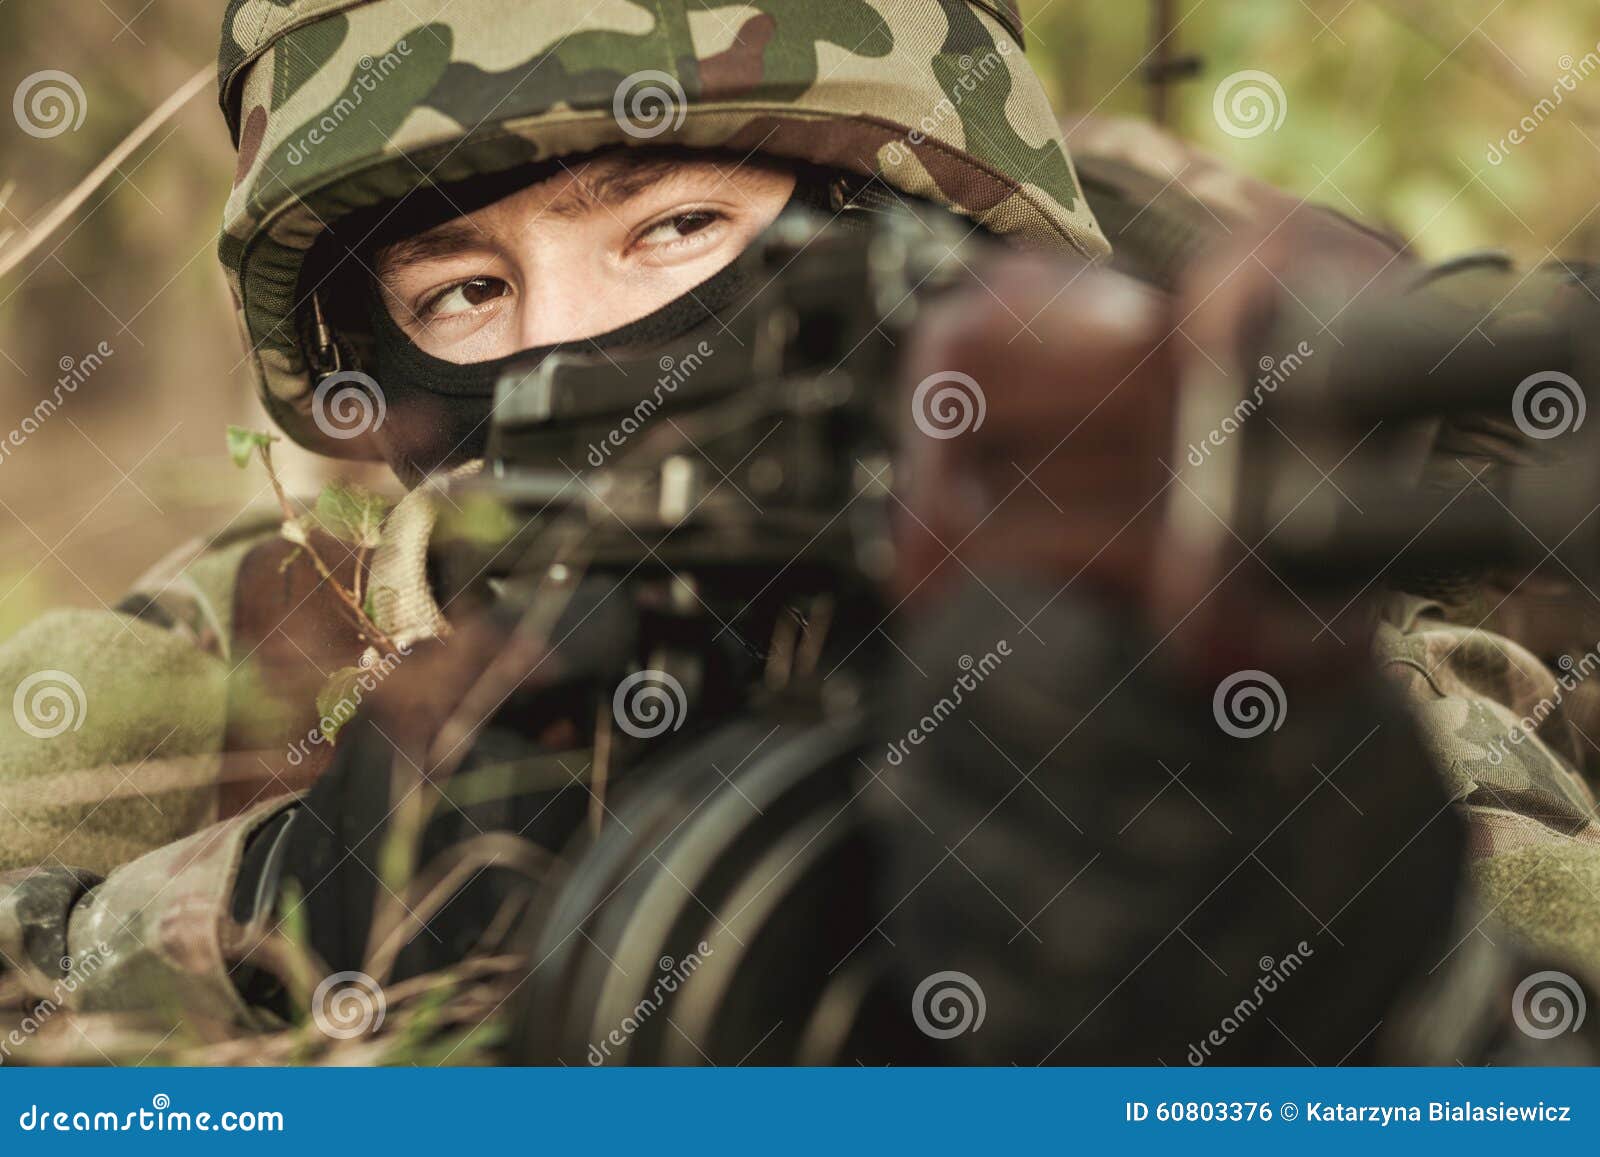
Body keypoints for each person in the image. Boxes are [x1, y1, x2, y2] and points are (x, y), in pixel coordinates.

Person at [0, 0, 1592, 1064]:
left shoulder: (1203, 607)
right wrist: (269, 915)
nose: (568, 358)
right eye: (466, 294)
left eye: (677, 226)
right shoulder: (241, 652)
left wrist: (1363, 975)